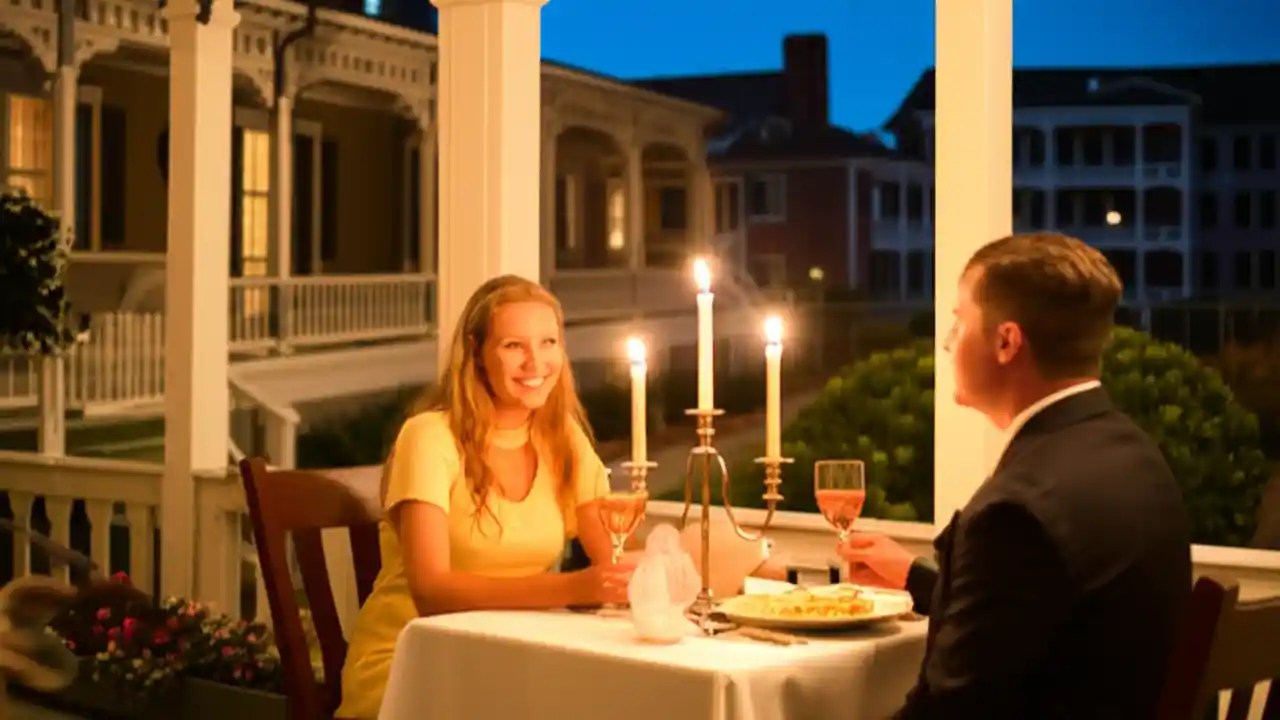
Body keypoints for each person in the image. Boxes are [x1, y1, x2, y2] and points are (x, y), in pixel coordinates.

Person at [839, 233, 1192, 718]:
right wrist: (914, 580)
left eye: (960, 323)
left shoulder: (1015, 513)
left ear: (1007, 342)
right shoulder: (1135, 457)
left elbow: (951, 710)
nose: (947, 343)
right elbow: (1043, 611)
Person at [337, 275, 633, 719]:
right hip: (412, 668)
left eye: (548, 341)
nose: (536, 361)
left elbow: (610, 558)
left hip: (513, 656)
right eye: (514, 345)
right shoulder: (430, 437)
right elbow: (432, 592)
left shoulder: (563, 439)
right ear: (476, 354)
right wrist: (572, 587)